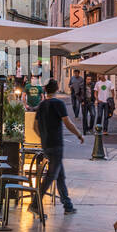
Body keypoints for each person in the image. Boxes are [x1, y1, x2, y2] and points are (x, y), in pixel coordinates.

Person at [34, 78, 83, 217]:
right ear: (56, 89)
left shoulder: (41, 105)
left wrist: (43, 137)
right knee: (51, 176)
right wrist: (79, 134)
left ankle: (67, 205)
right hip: (56, 144)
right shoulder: (59, 103)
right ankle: (35, 204)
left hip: (46, 145)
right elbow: (67, 123)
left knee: (60, 176)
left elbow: (35, 127)